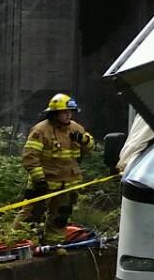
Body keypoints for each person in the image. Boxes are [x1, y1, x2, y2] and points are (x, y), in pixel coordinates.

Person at [21, 93, 100, 239]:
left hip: (68, 184)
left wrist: (83, 140)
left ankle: (53, 246)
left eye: (70, 112)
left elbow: (90, 146)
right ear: (54, 113)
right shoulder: (41, 130)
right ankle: (15, 244)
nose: (68, 115)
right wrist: (39, 180)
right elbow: (30, 156)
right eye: (65, 112)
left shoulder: (75, 128)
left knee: (60, 218)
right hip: (45, 184)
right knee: (30, 216)